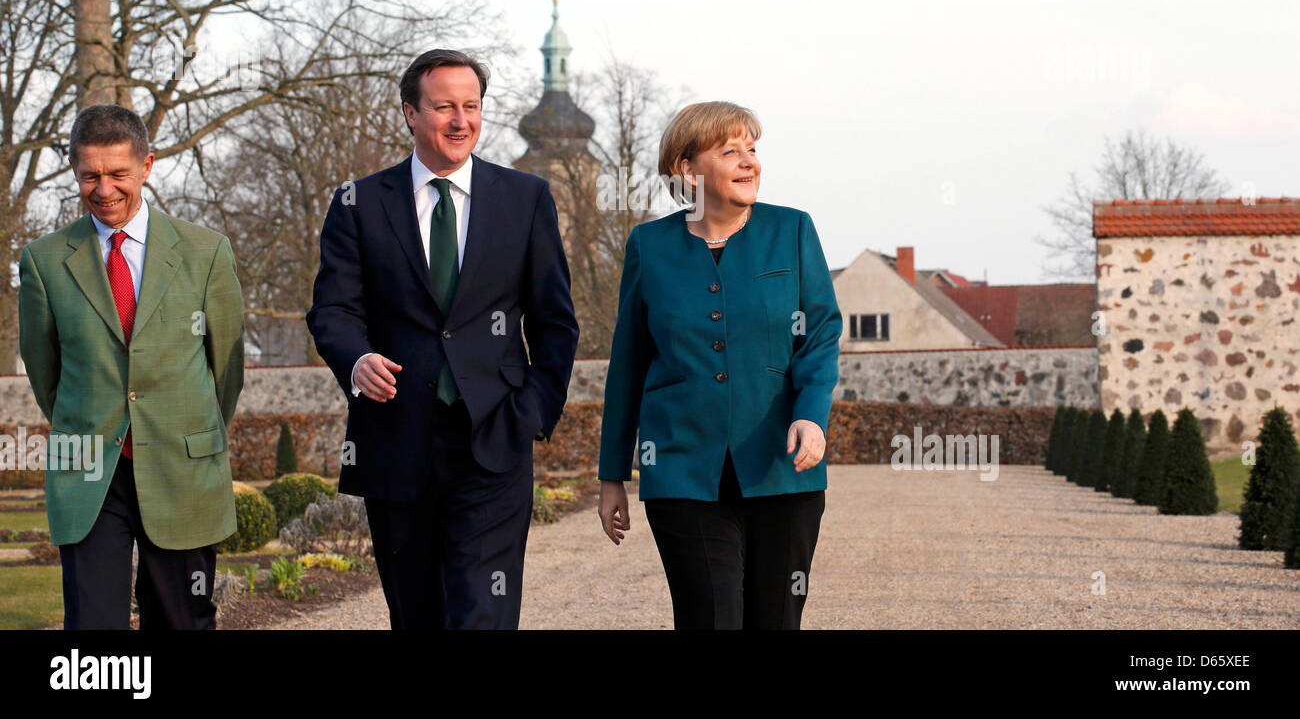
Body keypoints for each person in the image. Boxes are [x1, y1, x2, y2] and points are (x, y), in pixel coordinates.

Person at [307, 48, 579, 629]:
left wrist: (531, 411)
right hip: (395, 440)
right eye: (443, 107)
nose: (461, 121)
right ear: (410, 113)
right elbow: (332, 311)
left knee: (483, 613)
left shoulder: (525, 199)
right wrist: (356, 361)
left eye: (471, 106)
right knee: (417, 616)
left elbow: (555, 321)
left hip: (494, 439)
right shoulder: (358, 204)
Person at [597, 101, 842, 629]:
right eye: (730, 150)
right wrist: (613, 474)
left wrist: (812, 415)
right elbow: (629, 363)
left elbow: (820, 334)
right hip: (682, 471)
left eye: (752, 149)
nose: (748, 160)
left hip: (783, 469)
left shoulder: (794, 230)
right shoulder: (649, 245)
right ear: (687, 168)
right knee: (710, 618)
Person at [19, 105, 245, 629]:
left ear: (146, 164)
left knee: (182, 618)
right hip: (89, 469)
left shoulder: (206, 253)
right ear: (75, 172)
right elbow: (42, 369)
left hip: (182, 463)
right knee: (93, 629)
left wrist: (195, 431)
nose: (104, 189)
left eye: (117, 173)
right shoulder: (44, 261)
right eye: (89, 175)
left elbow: (226, 367)